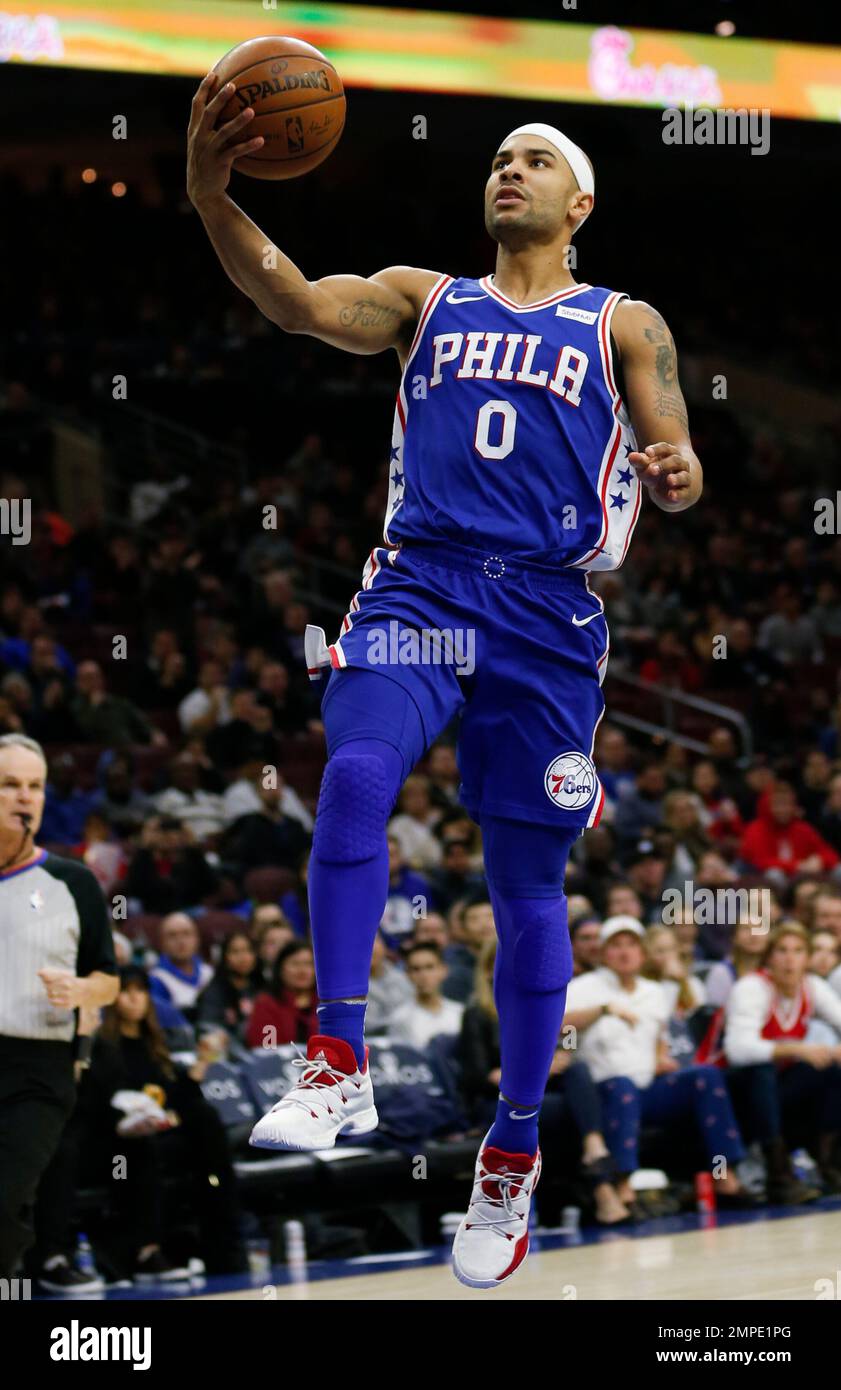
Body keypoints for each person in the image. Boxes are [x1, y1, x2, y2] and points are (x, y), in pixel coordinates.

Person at [188, 87, 703, 1289]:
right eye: (498, 159)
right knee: (356, 777)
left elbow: (671, 443)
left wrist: (674, 468)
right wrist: (213, 198)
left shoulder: (623, 321)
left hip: (545, 616)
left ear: (580, 202)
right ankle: (336, 1058)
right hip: (418, 586)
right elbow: (297, 302)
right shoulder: (430, 300)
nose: (507, 171)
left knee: (527, 881)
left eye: (534, 159)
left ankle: (513, 1149)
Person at [0, 734, 118, 1281]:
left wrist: (80, 992)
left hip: (39, 1070)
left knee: (4, 1202)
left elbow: (109, 981)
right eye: (9, 785)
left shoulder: (74, 882)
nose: (25, 797)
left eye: (35, 786)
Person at [564, 917, 750, 1212]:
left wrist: (662, 1058)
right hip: (603, 1088)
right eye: (616, 945)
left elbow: (659, 1039)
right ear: (603, 952)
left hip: (648, 1084)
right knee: (623, 1088)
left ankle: (723, 1175)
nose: (624, 952)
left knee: (706, 1076)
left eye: (631, 945)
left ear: (642, 953)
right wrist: (602, 1011)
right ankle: (624, 1186)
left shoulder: (653, 992)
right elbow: (563, 1030)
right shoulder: (582, 987)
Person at [71, 967, 244, 1279]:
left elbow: (178, 1098)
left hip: (158, 1134)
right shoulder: (101, 1049)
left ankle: (224, 1243)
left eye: (141, 991)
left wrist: (201, 1066)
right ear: (112, 999)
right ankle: (146, 1251)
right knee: (142, 1148)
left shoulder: (155, 1044)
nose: (135, 998)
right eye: (127, 991)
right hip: (115, 1147)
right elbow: (97, 1106)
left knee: (206, 1121)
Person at [459, 939, 630, 1225]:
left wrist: (558, 1059)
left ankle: (594, 1147)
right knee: (573, 1111)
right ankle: (603, 1189)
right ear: (490, 970)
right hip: (496, 1101)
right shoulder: (477, 1013)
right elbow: (477, 1076)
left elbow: (554, 1055)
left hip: (539, 1093)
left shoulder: (534, 1008)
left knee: (578, 1072)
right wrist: (538, 1070)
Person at [724, 922, 841, 1199]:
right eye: (782, 951)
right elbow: (737, 1050)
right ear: (769, 957)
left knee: (832, 1067)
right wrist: (796, 1049)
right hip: (730, 1087)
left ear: (808, 958)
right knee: (761, 1070)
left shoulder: (812, 986)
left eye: (799, 951)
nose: (790, 959)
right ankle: (778, 1175)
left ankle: (830, 1162)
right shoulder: (752, 987)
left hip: (774, 1090)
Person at [388, 943, 465, 1049]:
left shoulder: (460, 1013)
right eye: (416, 969)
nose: (423, 975)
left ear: (443, 970)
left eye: (429, 967)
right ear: (407, 974)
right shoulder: (400, 1018)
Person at [246, 942, 319, 1048]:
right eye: (295, 964)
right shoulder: (266, 1004)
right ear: (281, 969)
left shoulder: (326, 1004)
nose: (302, 971)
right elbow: (266, 1049)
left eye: (309, 964)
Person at [196, 931, 262, 1044]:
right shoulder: (213, 993)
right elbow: (208, 1029)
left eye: (248, 950)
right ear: (224, 957)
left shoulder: (262, 988)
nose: (243, 957)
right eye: (235, 952)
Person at [148, 912, 214, 1022]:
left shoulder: (209, 972)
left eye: (186, 934)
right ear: (161, 942)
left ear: (197, 938)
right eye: (172, 935)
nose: (181, 941)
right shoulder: (156, 979)